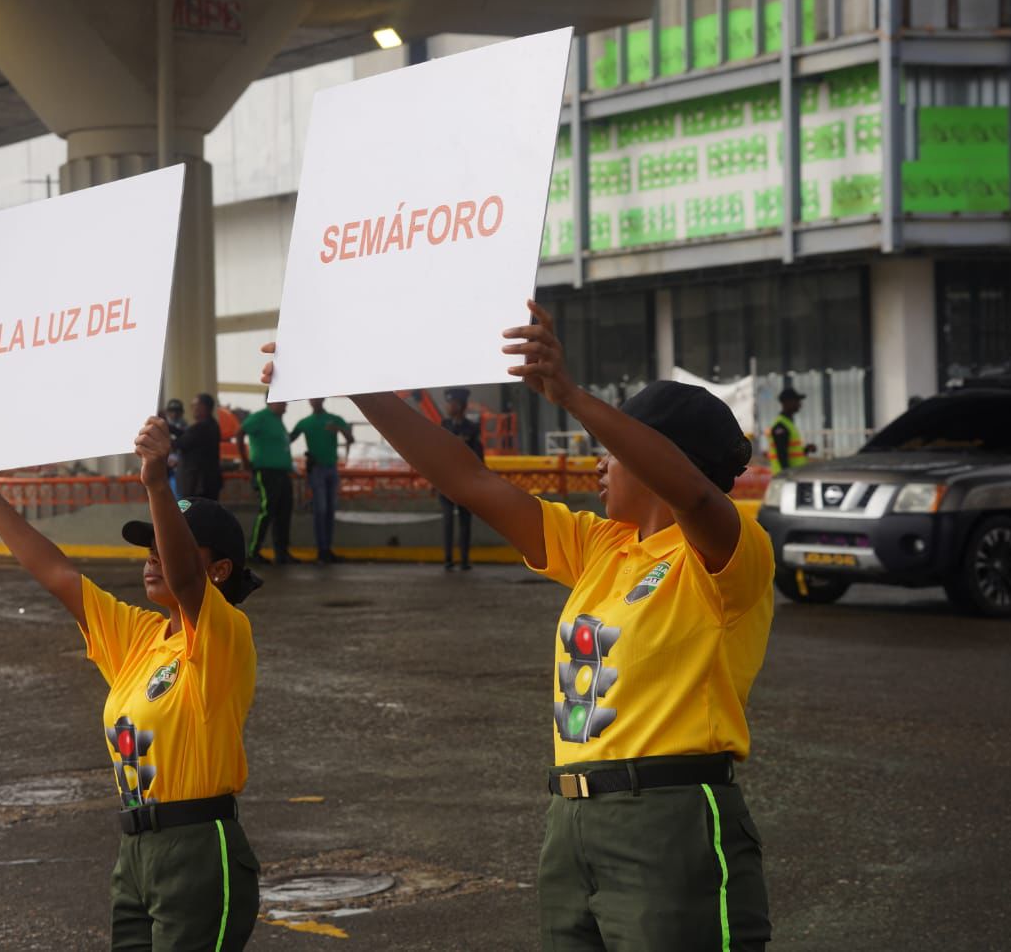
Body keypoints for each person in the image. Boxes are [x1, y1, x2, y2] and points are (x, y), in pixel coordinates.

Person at [259, 299, 772, 951]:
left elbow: (697, 497)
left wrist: (570, 395)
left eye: (610, 450)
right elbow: (466, 479)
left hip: (670, 821)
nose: (599, 463)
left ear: (655, 459)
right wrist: (346, 377)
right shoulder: (602, 548)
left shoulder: (730, 552)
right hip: (573, 821)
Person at [0, 417, 261, 951]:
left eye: (170, 544)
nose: (153, 556)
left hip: (199, 850)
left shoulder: (225, 634)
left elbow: (187, 581)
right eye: (148, 545)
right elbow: (61, 577)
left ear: (220, 570)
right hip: (135, 853)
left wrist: (157, 481)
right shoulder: (140, 637)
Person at [289, 398, 353, 565]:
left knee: (329, 510)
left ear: (321, 400)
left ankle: (326, 550)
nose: (315, 401)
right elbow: (288, 439)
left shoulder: (334, 419)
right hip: (317, 470)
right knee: (321, 509)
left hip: (331, 468)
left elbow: (350, 438)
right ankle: (322, 550)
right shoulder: (304, 423)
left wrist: (339, 429)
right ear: (310, 401)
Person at [237, 401, 296, 565]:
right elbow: (240, 432)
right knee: (267, 510)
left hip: (282, 472)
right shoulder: (260, 417)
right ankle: (253, 551)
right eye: (283, 403)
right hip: (266, 472)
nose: (286, 406)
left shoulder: (278, 421)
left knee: (284, 512)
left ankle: (282, 553)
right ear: (273, 402)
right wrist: (245, 460)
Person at [439, 387, 484, 572]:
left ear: (460, 406)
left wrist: (480, 479)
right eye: (449, 403)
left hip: (466, 483)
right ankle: (448, 558)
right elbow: (437, 454)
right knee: (447, 521)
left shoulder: (471, 428)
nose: (449, 406)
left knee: (465, 522)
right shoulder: (444, 426)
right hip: (447, 482)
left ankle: (464, 559)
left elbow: (478, 456)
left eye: (452, 403)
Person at [172, 393, 224, 501]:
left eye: (194, 405)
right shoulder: (212, 425)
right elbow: (186, 435)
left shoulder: (202, 427)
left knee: (195, 515)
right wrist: (169, 427)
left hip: (199, 484)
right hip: (207, 482)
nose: (192, 409)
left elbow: (180, 443)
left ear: (203, 407)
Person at [767, 387, 816, 473]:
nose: (799, 404)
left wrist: (806, 450)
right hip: (784, 476)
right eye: (796, 401)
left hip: (794, 475)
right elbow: (782, 455)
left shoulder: (788, 423)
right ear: (787, 402)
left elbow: (792, 454)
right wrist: (787, 476)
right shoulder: (781, 426)